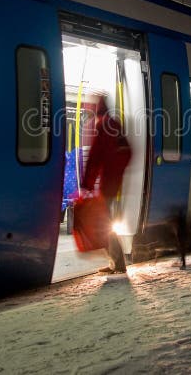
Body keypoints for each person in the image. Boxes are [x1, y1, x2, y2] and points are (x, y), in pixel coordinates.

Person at [81, 95, 132, 273]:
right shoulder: (115, 125)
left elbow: (95, 157)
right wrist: (117, 173)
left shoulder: (103, 126)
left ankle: (118, 264)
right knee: (106, 221)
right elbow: (127, 152)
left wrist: (87, 184)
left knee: (103, 223)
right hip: (113, 182)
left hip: (107, 183)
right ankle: (117, 263)